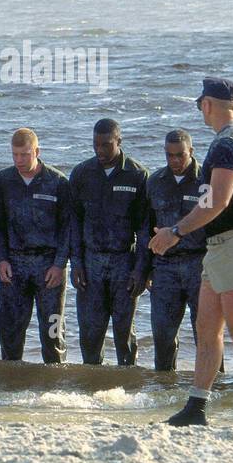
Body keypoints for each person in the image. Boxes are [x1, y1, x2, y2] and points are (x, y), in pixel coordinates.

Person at [150, 78, 233, 426]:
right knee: (207, 327)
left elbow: (218, 200)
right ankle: (196, 407)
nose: (200, 111)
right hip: (220, 246)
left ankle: (197, 406)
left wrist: (175, 232)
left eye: (200, 105)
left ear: (208, 104)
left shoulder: (228, 142)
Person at [69, 119, 149, 366]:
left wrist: (141, 270)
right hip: (91, 262)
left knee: (125, 333)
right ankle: (92, 387)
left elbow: (145, 229)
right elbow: (73, 224)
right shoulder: (82, 173)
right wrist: (77, 264)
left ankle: (128, 388)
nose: (100, 151)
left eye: (106, 145)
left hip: (124, 261)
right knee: (90, 332)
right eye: (96, 145)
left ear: (119, 142)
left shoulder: (137, 175)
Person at [0, 128, 71, 364]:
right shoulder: (2, 182)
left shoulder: (57, 182)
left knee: (53, 333)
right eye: (14, 155)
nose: (19, 161)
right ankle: (12, 387)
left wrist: (59, 264)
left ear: (37, 151)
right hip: (14, 265)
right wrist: (1, 259)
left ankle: (54, 386)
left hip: (49, 267)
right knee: (10, 332)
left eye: (24, 155)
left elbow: (68, 229)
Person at [145, 129, 208, 372]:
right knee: (162, 335)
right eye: (169, 155)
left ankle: (214, 389)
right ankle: (164, 389)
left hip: (200, 265)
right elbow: (146, 231)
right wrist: (145, 270)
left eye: (180, 155)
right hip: (165, 268)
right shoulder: (155, 182)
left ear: (191, 152)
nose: (174, 161)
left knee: (206, 335)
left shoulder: (207, 180)